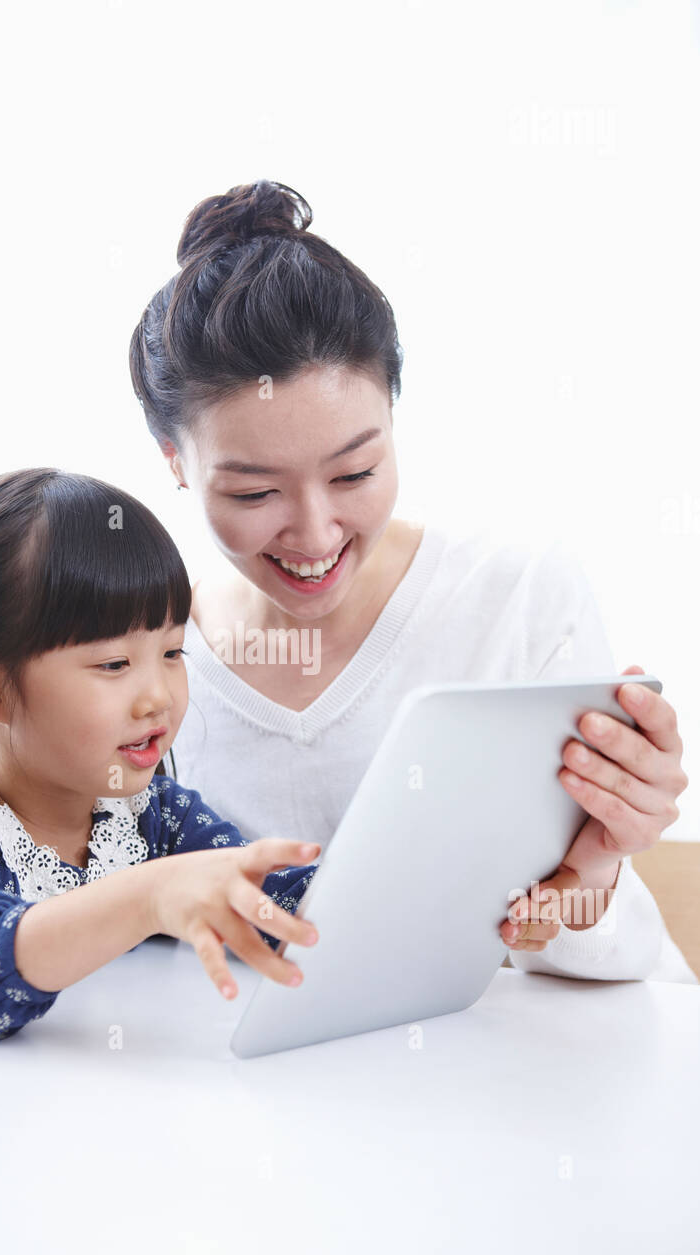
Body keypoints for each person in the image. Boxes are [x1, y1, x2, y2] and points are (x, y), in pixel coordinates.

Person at [129, 179, 689, 980]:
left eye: (356, 472)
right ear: (175, 461)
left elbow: (584, 943)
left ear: (394, 414)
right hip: (291, 1087)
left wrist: (594, 865)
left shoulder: (516, 594)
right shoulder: (146, 665)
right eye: (255, 492)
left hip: (566, 1060)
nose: (316, 533)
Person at [0, 469, 321, 1051]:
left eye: (172, 651)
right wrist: (147, 897)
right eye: (114, 665)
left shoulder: (155, 815)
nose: (159, 696)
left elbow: (282, 907)